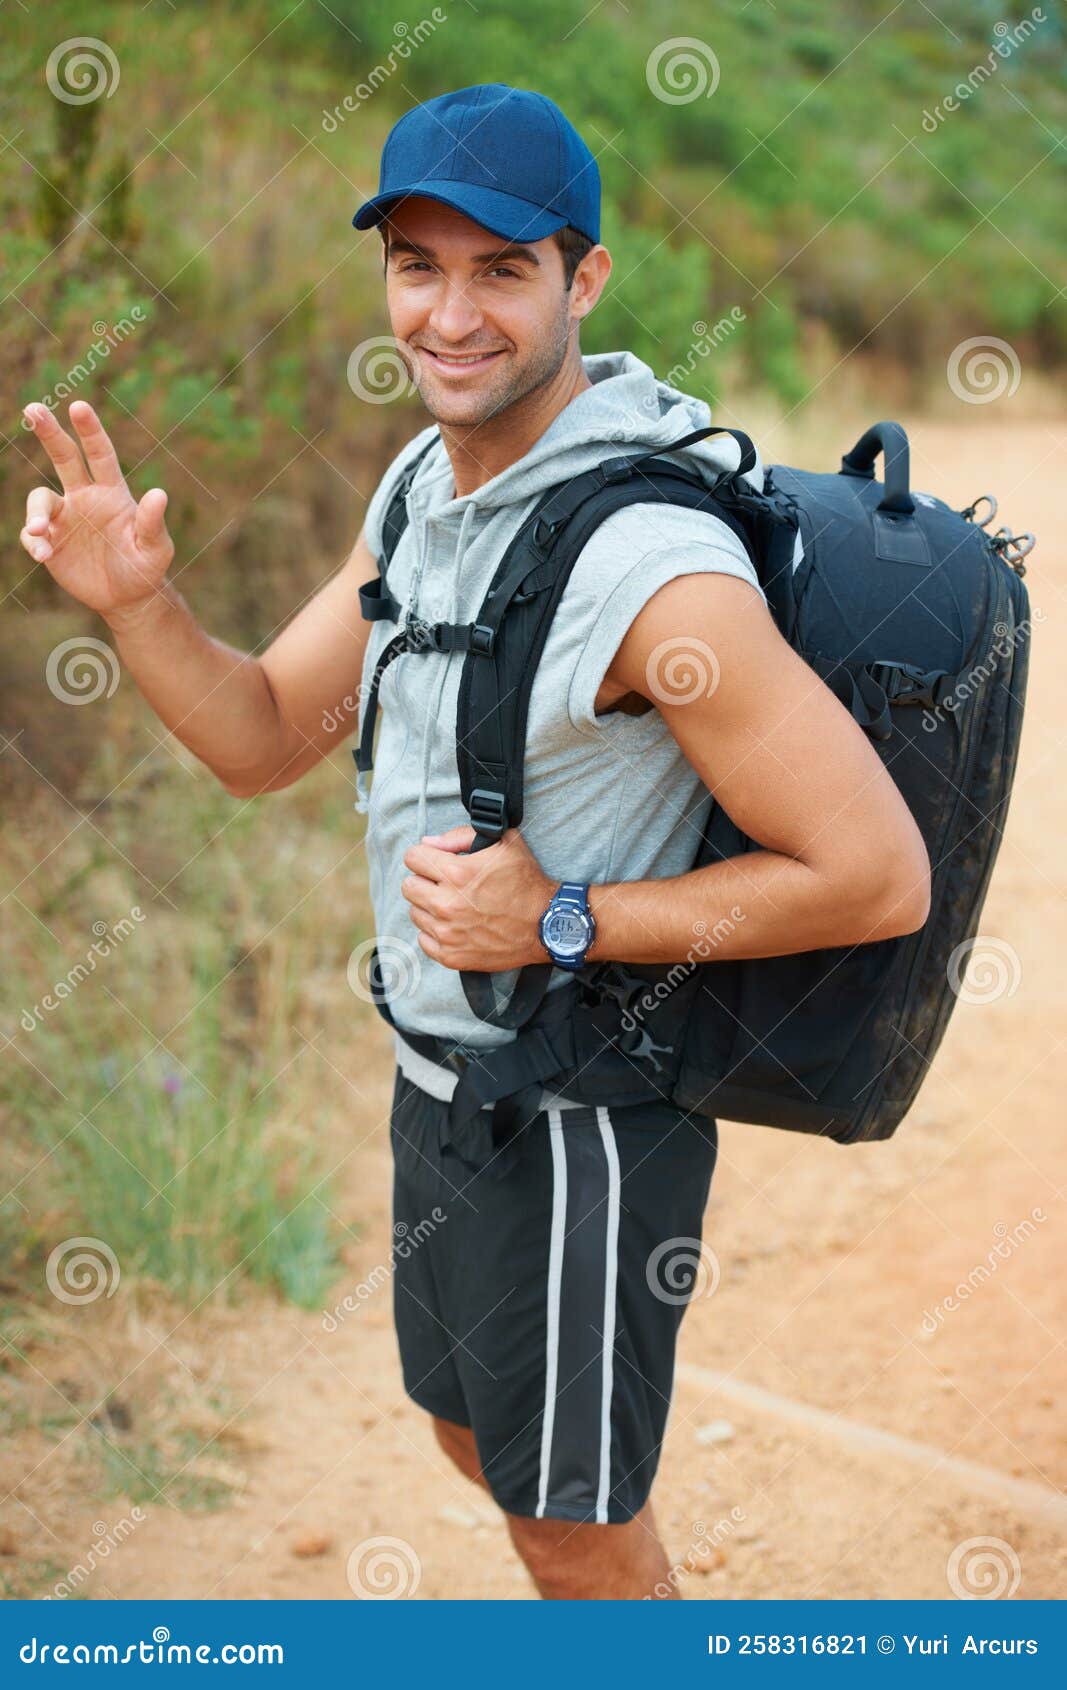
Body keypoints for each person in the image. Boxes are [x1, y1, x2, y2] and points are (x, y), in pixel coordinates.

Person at [18, 83, 930, 1600]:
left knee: (567, 1525)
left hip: (581, 1119)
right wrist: (136, 607)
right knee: (477, 1443)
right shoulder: (426, 488)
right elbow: (259, 738)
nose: (448, 314)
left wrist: (562, 916)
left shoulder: (655, 570)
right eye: (416, 264)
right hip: (441, 1084)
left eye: (501, 270)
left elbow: (877, 871)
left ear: (585, 280)